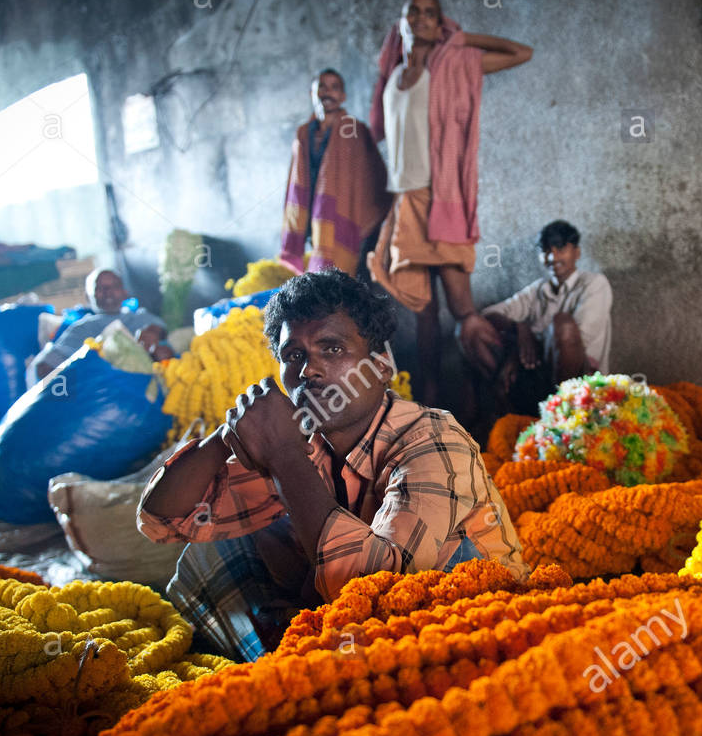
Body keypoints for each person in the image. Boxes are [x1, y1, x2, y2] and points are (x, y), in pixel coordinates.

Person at [137, 268, 527, 661]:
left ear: (380, 367)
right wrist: (228, 435)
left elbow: (381, 594)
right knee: (218, 549)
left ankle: (301, 663)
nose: (309, 370)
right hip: (369, 631)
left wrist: (285, 459)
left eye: (333, 349)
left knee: (317, 538)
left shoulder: (433, 438)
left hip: (475, 633)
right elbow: (162, 519)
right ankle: (284, 659)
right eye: (294, 356)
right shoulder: (308, 443)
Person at [366, 0, 532, 407]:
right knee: (423, 317)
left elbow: (520, 53)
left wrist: (460, 38)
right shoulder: (390, 79)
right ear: (401, 22)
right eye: (413, 13)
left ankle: (504, 395)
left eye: (430, 14)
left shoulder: (451, 65)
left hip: (440, 198)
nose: (420, 19)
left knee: (465, 315)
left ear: (440, 24)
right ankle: (431, 402)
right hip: (405, 203)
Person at [461, 220, 612, 413]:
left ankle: (564, 416)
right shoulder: (539, 289)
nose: (552, 257)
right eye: (546, 250)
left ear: (577, 252)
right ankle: (510, 411)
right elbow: (489, 315)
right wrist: (520, 330)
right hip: (536, 379)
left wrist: (521, 350)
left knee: (563, 324)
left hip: (580, 382)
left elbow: (577, 341)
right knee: (470, 325)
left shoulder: (594, 284)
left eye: (560, 249)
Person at [279, 68, 391, 278]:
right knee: (324, 284)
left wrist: (362, 216)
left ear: (343, 96)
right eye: (322, 86)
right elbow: (295, 182)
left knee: (353, 287)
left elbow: (375, 177)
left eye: (334, 87)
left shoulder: (355, 130)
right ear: (312, 93)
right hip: (315, 223)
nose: (327, 92)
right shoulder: (303, 133)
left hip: (350, 221)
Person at [32, 269, 168, 379]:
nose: (108, 292)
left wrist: (153, 333)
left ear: (125, 293)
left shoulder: (139, 317)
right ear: (88, 296)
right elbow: (44, 368)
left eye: (114, 286)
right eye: (100, 288)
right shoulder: (82, 328)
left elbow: (159, 328)